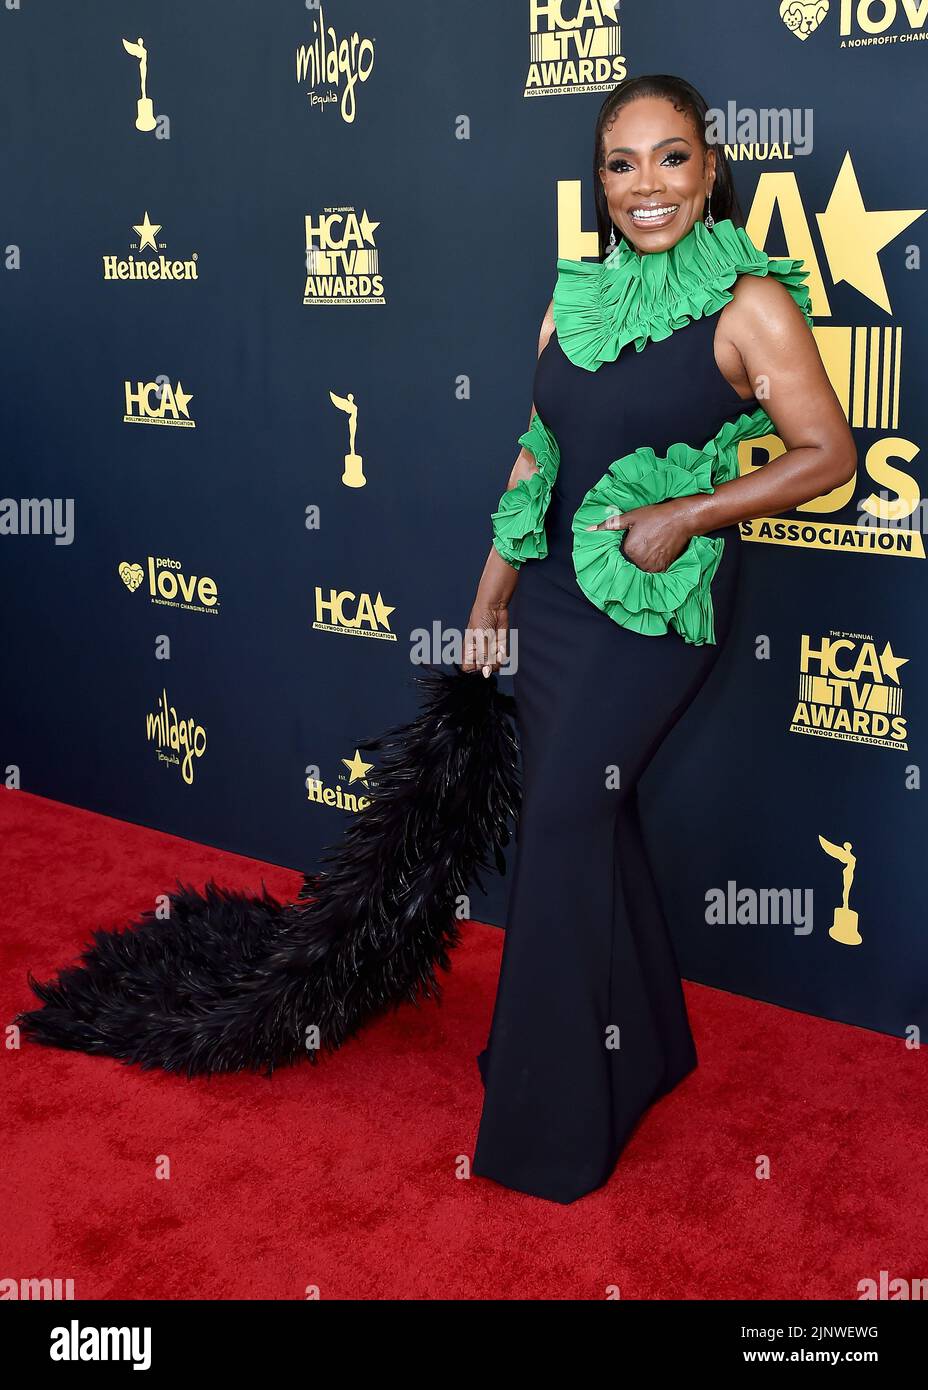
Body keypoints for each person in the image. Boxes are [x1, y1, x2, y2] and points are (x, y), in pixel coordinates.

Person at [461, 74, 856, 1204]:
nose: (647, 186)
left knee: (562, 817)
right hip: (549, 598)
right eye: (622, 164)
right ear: (599, 179)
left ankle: (547, 1124)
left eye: (671, 158)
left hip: (653, 608)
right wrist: (488, 596)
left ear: (710, 167)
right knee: (585, 810)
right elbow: (536, 457)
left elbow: (826, 451)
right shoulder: (570, 295)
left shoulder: (748, 303)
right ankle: (648, 1045)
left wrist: (688, 512)